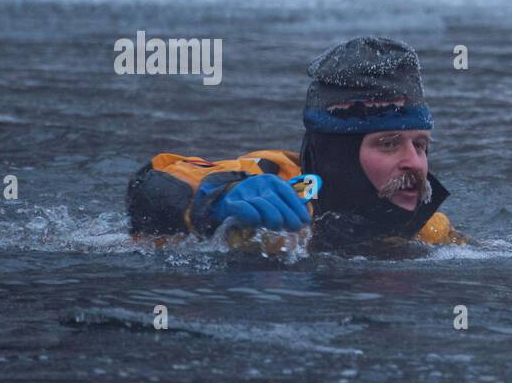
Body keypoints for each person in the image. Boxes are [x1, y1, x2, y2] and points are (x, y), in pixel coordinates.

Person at [126, 36, 465, 252]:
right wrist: (215, 201)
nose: (414, 163)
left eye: (420, 145)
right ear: (340, 156)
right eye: (389, 144)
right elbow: (151, 182)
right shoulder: (272, 179)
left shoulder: (427, 230)